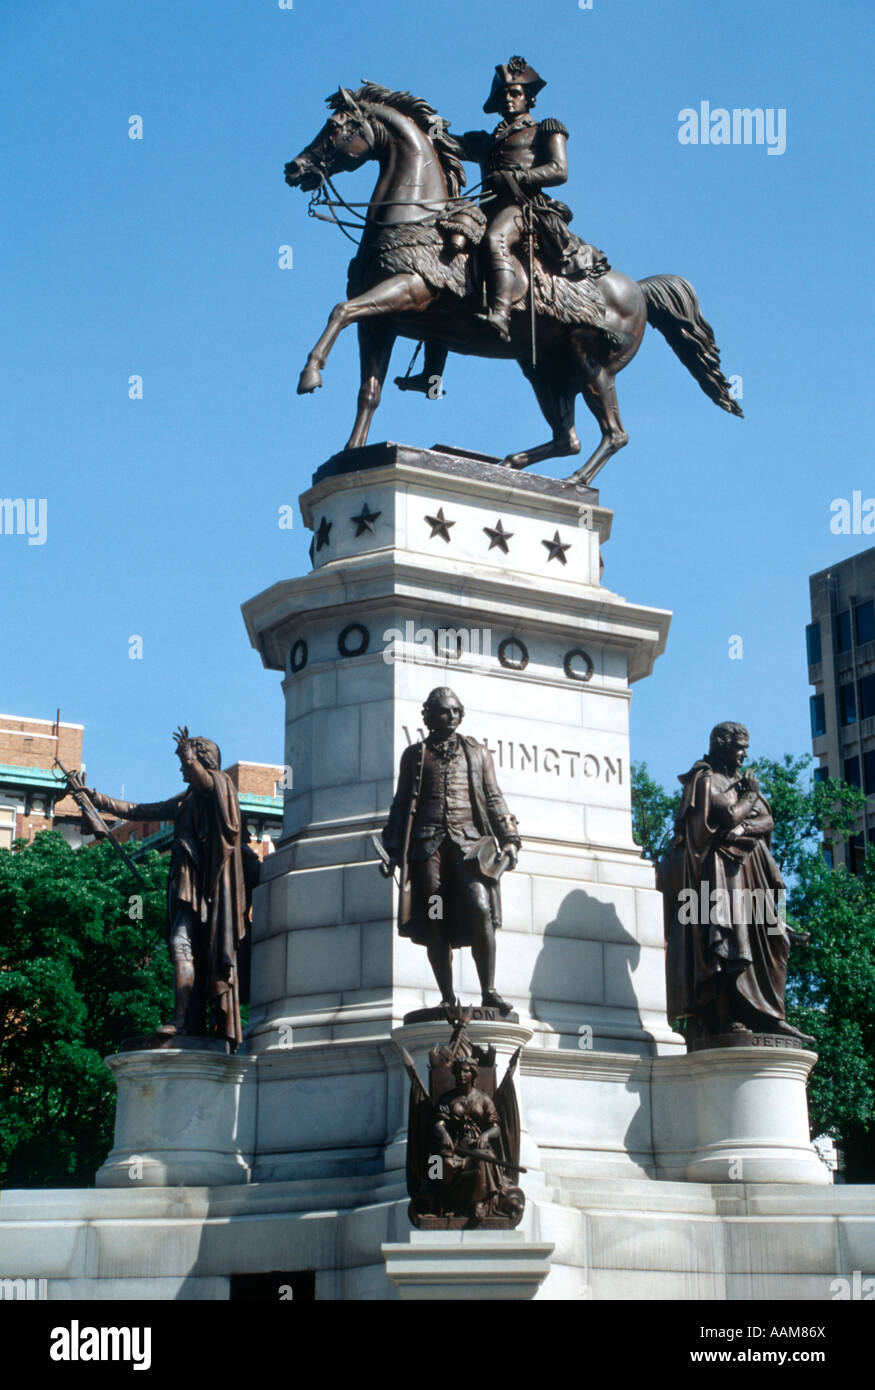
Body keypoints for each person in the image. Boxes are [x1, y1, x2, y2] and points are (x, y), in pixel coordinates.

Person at [84, 727, 250, 1047]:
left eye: (188, 760)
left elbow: (204, 780)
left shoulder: (220, 786)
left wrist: (187, 757)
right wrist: (96, 798)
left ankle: (182, 1020)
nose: (181, 768)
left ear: (202, 759)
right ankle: (186, 1020)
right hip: (186, 886)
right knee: (183, 948)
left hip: (208, 891)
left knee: (181, 944)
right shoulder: (184, 802)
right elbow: (139, 811)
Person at [658, 721, 813, 1045]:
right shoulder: (705, 779)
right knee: (729, 944)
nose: (744, 754)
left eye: (745, 747)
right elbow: (727, 816)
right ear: (720, 745)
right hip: (721, 875)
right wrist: (750, 797)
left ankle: (771, 1014)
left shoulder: (738, 782)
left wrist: (745, 828)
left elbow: (766, 819)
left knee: (774, 939)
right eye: (739, 747)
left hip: (753, 870)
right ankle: (730, 1016)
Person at [382, 687, 520, 1014]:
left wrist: (510, 838)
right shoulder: (414, 755)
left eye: (457, 710)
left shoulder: (478, 753)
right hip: (427, 850)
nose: (453, 716)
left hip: (469, 848)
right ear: (427, 715)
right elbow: (401, 805)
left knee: (481, 909)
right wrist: (391, 849)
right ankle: (447, 996)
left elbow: (493, 797)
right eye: (445, 711)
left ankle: (488, 990)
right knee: (435, 917)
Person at [456, 55, 607, 341]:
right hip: (486, 209)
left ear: (529, 99)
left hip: (523, 208)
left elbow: (559, 171)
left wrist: (516, 178)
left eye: (515, 93)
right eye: (503, 95)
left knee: (495, 238)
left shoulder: (545, 129)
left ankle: (500, 313)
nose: (509, 99)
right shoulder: (486, 141)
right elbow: (448, 143)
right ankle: (430, 370)